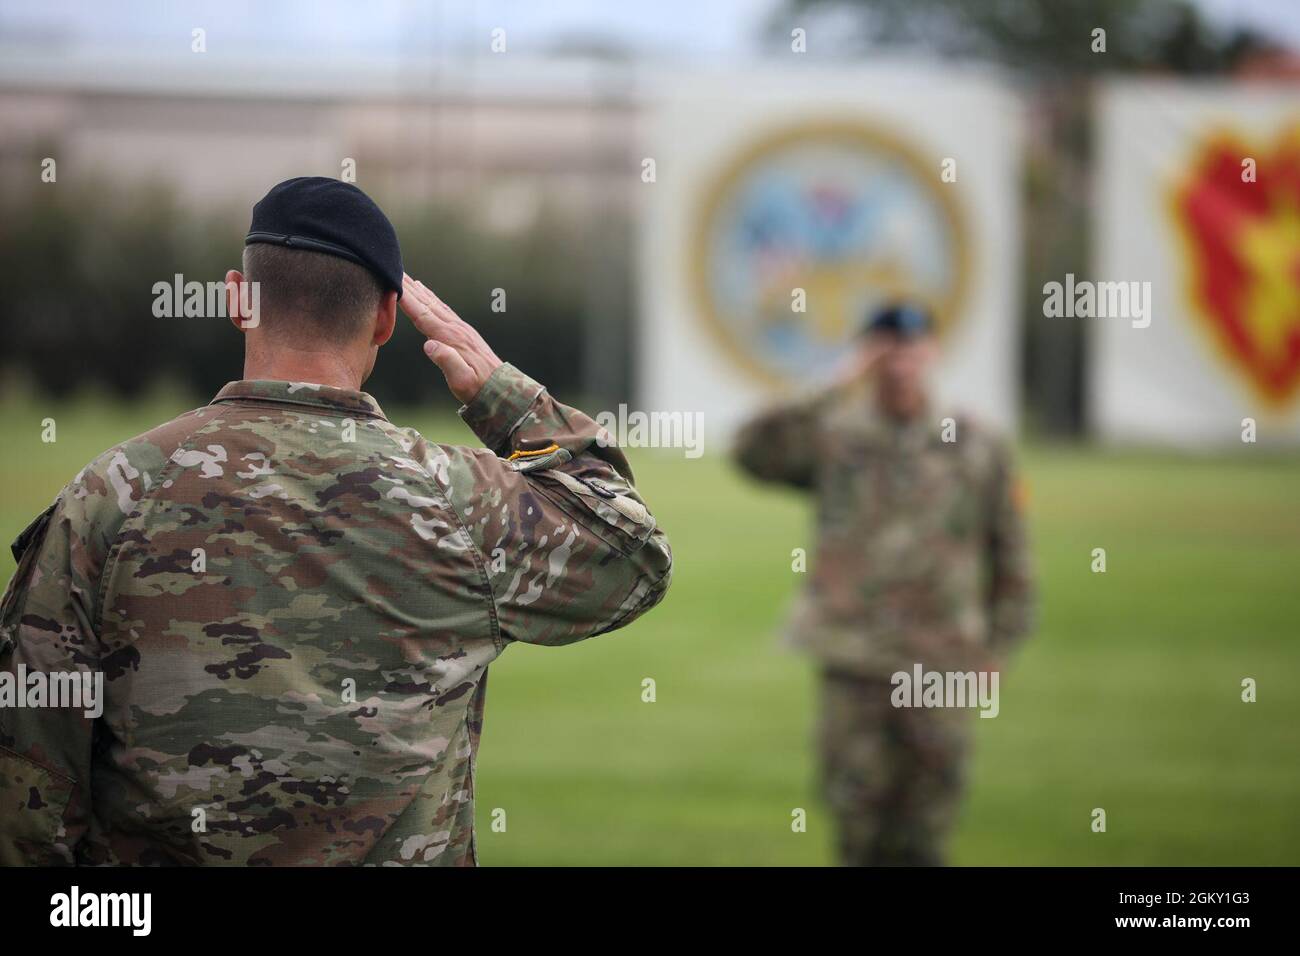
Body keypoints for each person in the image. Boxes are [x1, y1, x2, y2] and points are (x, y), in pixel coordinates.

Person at [0, 176, 672, 866]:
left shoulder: (112, 493)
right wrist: (506, 397)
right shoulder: (458, 501)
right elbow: (632, 556)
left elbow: (30, 790)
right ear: (386, 319)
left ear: (237, 297)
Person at [733, 302, 1034, 866]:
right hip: (856, 655)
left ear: (933, 353)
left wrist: (1000, 644)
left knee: (928, 820)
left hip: (942, 655)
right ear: (867, 356)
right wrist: (834, 383)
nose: (901, 363)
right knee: (857, 818)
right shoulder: (837, 435)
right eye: (886, 348)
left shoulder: (974, 441)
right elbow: (751, 451)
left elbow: (1009, 547)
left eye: (912, 348)